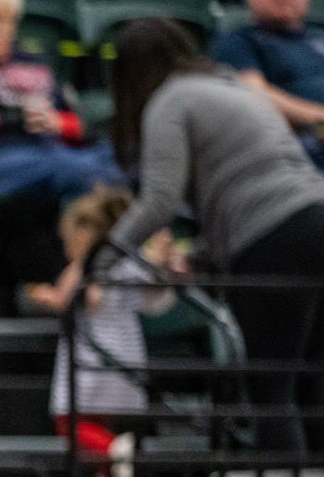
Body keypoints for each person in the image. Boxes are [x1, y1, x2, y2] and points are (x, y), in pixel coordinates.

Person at [108, 19, 324, 453]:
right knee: (314, 383)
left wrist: (103, 255)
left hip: (274, 238)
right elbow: (253, 181)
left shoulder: (170, 101)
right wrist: (204, 255)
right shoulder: (234, 88)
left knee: (271, 390)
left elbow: (159, 201)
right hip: (315, 215)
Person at [24, 187, 173, 477]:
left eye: (68, 238)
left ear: (84, 233)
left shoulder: (89, 263)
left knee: (68, 421)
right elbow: (156, 298)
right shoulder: (127, 263)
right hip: (126, 351)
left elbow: (68, 298)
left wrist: (41, 295)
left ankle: (114, 451)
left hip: (92, 352)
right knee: (98, 418)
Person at [0, 0, 120, 211]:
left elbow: (75, 123)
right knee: (83, 171)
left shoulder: (35, 63)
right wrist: (3, 120)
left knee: (111, 157)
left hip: (52, 150)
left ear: (13, 24)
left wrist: (57, 124)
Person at [210, 0, 324, 166]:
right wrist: (319, 118)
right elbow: (254, 92)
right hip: (297, 145)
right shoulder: (238, 41)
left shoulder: (318, 35)